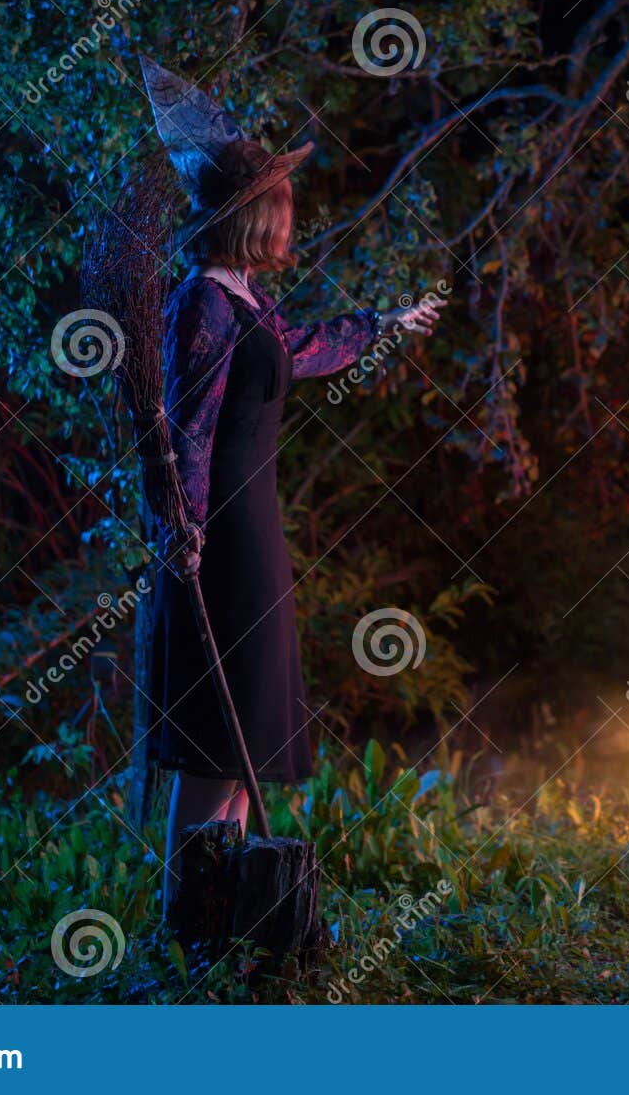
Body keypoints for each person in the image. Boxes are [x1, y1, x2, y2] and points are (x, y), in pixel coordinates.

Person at [140, 57, 438, 918]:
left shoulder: (248, 301)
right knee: (212, 745)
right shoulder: (201, 303)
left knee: (246, 743)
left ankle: (227, 916)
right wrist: (184, 529)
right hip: (220, 537)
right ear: (253, 213)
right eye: (281, 198)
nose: (292, 211)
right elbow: (180, 431)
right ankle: (184, 925)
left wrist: (379, 326)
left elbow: (300, 351)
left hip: (256, 530)